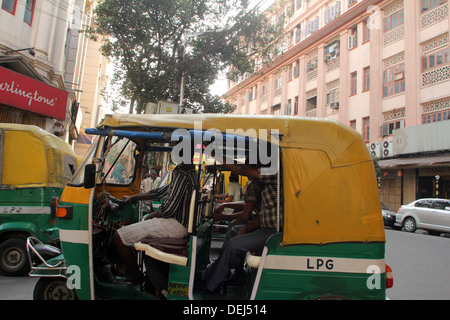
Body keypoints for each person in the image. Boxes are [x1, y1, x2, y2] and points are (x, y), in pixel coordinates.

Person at [203, 160, 281, 294]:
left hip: (273, 232)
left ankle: (212, 285)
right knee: (234, 231)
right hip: (264, 227)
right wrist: (246, 228)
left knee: (234, 245)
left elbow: (243, 170)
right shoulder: (263, 184)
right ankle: (221, 273)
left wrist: (218, 154)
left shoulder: (274, 174)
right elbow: (260, 214)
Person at [112, 163, 198, 283]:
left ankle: (136, 276)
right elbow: (159, 192)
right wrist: (133, 198)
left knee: (119, 237)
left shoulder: (182, 174)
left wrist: (150, 216)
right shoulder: (191, 172)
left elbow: (168, 209)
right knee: (133, 233)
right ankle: (128, 268)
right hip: (180, 224)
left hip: (175, 225)